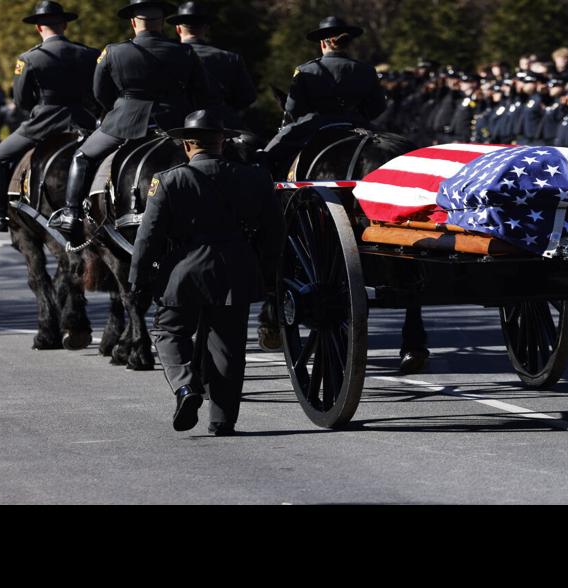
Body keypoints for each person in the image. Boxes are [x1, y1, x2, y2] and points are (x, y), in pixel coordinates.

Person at [128, 110, 282, 436]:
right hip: (236, 268)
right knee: (228, 347)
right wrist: (268, 275)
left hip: (184, 271)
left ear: (186, 145)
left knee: (169, 332)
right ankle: (223, 420)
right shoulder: (255, 177)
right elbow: (274, 233)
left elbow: (149, 237)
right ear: (222, 142)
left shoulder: (168, 180)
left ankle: (186, 388)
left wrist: (138, 280)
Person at [50, 2, 212, 240]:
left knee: (82, 156)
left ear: (133, 22)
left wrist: (117, 111)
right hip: (175, 124)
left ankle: (71, 214)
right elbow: (202, 93)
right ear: (162, 23)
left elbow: (100, 93)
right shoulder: (185, 52)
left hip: (126, 121)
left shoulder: (113, 52)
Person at [0, 2, 98, 233]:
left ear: (38, 28)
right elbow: (98, 91)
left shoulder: (29, 58)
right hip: (83, 121)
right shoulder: (89, 54)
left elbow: (21, 101)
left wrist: (37, 111)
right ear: (65, 25)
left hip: (43, 122)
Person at [261, 16, 387, 182]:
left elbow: (292, 109)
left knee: (265, 157)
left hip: (314, 125)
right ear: (348, 43)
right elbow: (378, 106)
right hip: (357, 124)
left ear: (322, 43)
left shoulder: (306, 70)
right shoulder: (367, 70)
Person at [170, 2, 256, 130]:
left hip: (178, 125)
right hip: (221, 126)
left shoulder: (168, 57)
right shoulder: (230, 58)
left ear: (178, 29)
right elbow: (247, 97)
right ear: (206, 28)